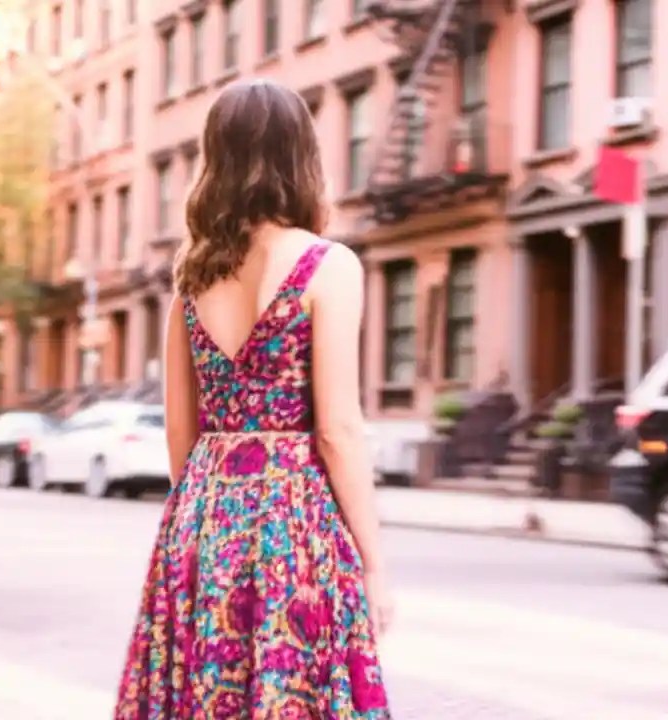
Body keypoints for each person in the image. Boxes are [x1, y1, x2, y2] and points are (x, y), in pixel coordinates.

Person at [114, 79, 393, 719]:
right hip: (294, 518)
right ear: (301, 156)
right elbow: (338, 430)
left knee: (205, 694)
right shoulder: (328, 265)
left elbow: (181, 434)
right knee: (292, 692)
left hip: (201, 516)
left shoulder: (192, 279)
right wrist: (373, 563)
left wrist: (207, 521)